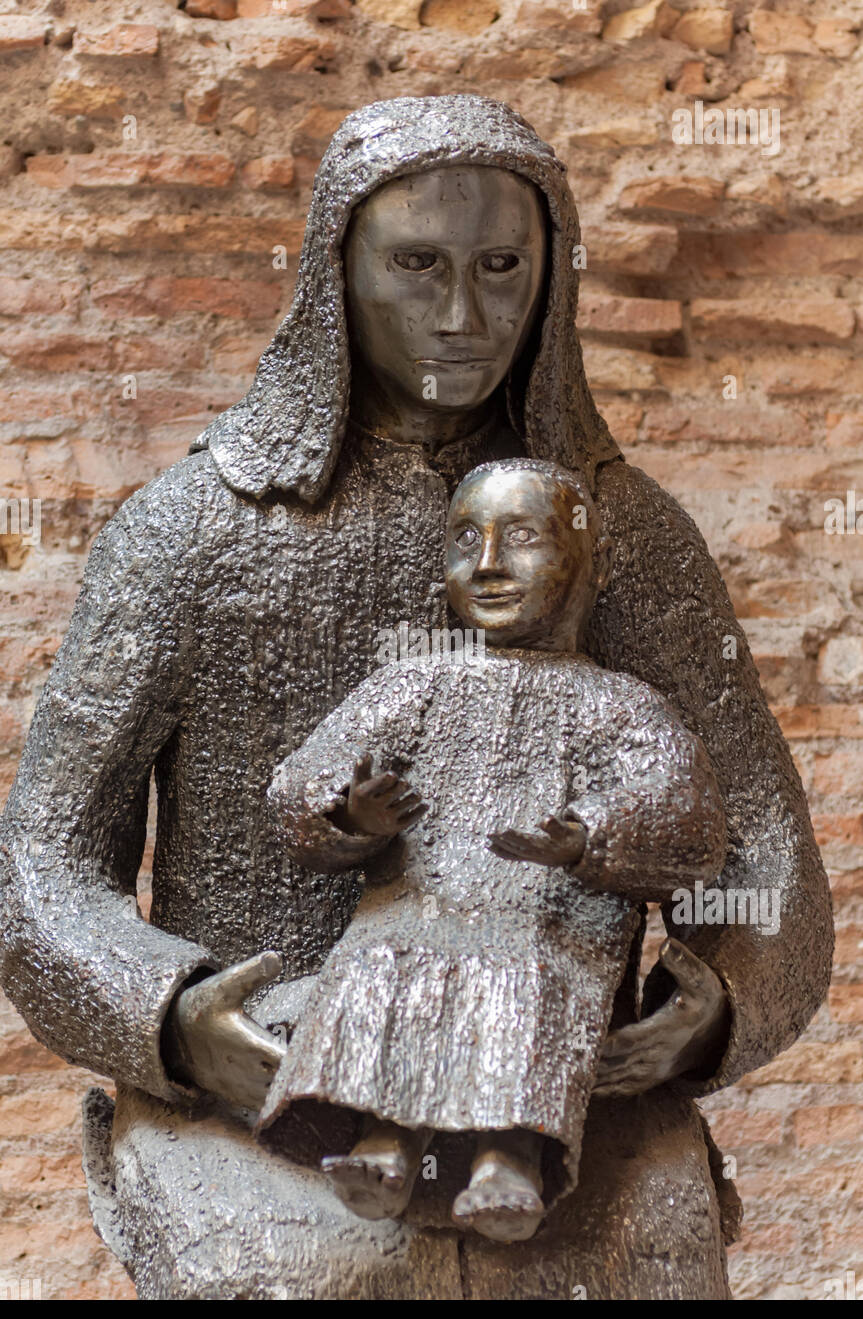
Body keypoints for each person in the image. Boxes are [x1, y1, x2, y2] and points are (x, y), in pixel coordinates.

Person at [0, 96, 832, 1299]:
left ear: (553, 273)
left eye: (501, 266)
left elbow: (757, 837)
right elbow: (42, 860)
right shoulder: (187, 535)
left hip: (555, 1080)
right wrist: (176, 1022)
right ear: (335, 269)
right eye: (415, 265)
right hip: (273, 1084)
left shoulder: (621, 535)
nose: (460, 316)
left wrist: (709, 1010)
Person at [262, 459, 727, 1245]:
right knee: (376, 961)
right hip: (411, 912)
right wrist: (352, 811)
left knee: (528, 978)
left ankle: (509, 1162)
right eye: (463, 540)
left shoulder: (617, 704)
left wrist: (590, 838)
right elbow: (299, 784)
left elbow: (689, 823)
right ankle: (382, 1142)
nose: (486, 564)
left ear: (592, 562)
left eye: (521, 538)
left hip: (554, 928)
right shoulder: (411, 686)